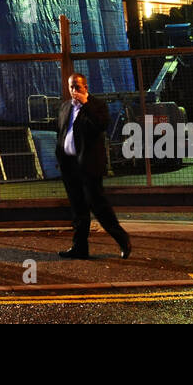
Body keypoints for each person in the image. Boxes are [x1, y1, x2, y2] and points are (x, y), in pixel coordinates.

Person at [56, 72, 131, 260]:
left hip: (88, 166)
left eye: (77, 87)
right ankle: (80, 247)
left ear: (85, 88)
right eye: (71, 87)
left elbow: (100, 125)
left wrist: (85, 105)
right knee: (78, 208)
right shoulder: (65, 107)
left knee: (99, 206)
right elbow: (62, 131)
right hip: (70, 165)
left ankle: (122, 238)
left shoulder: (97, 106)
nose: (74, 91)